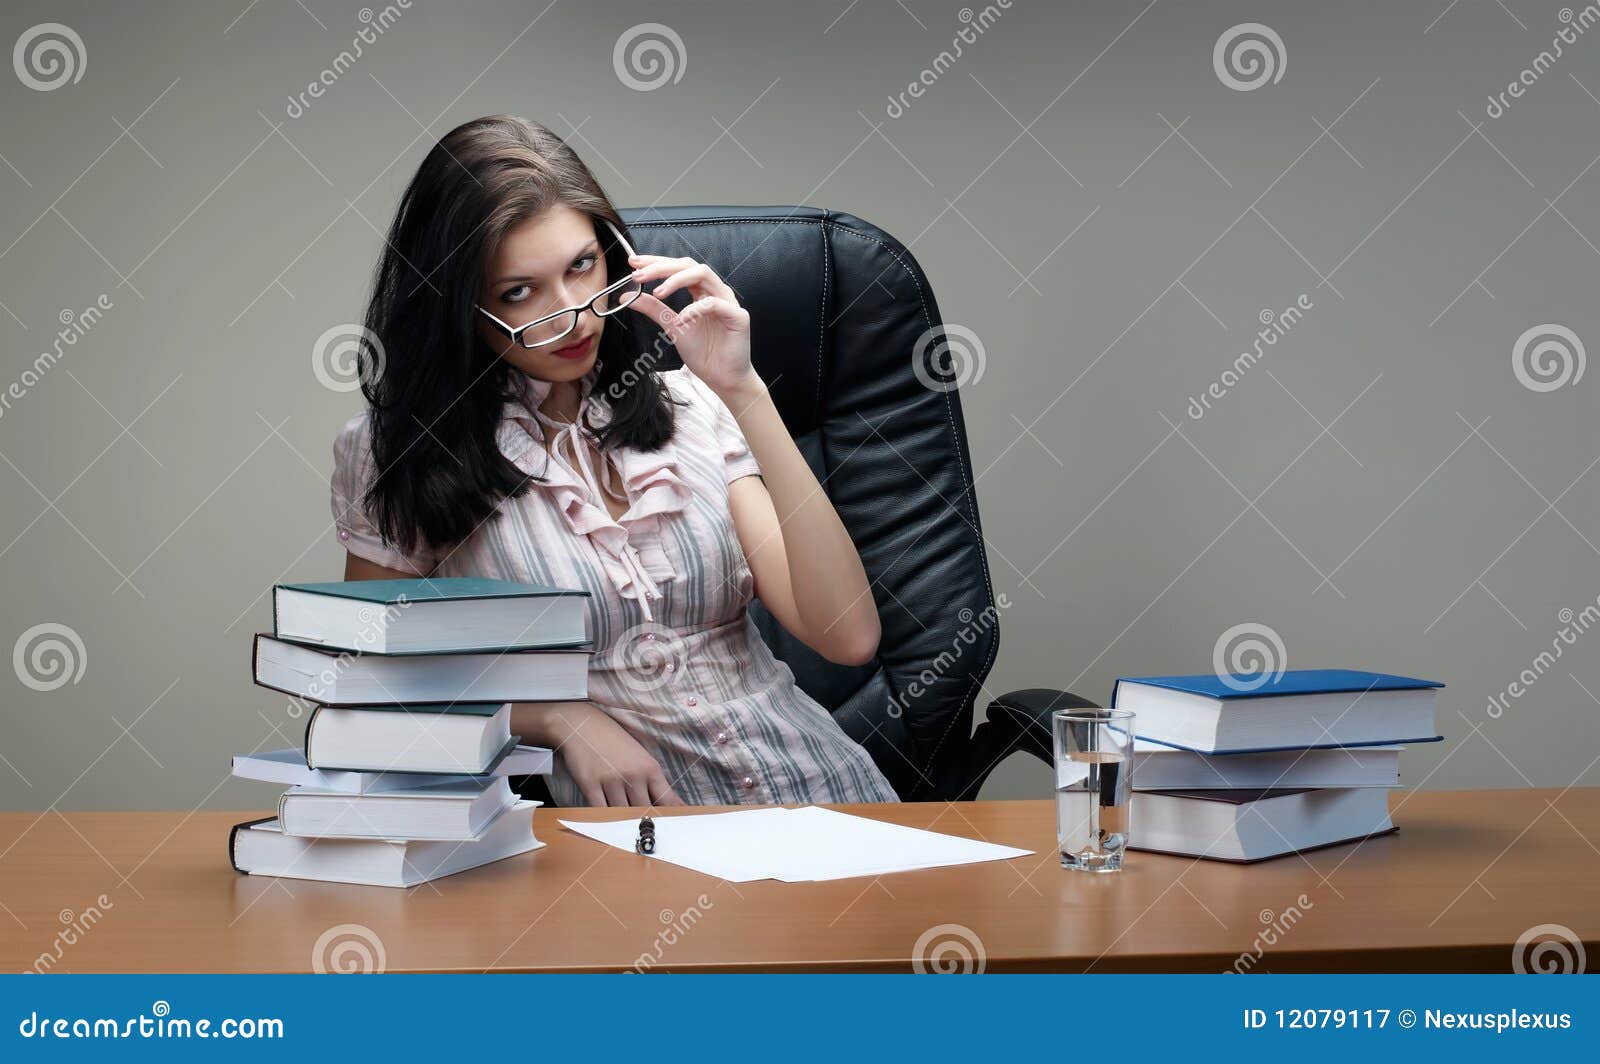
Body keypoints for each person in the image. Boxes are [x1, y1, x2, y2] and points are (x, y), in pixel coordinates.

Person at [331, 114, 899, 809]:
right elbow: (368, 672)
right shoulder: (401, 452)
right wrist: (561, 717)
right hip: (634, 851)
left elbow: (847, 634)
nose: (572, 316)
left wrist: (743, 391)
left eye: (581, 267)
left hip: (828, 797)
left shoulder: (692, 408)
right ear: (462, 307)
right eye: (520, 292)